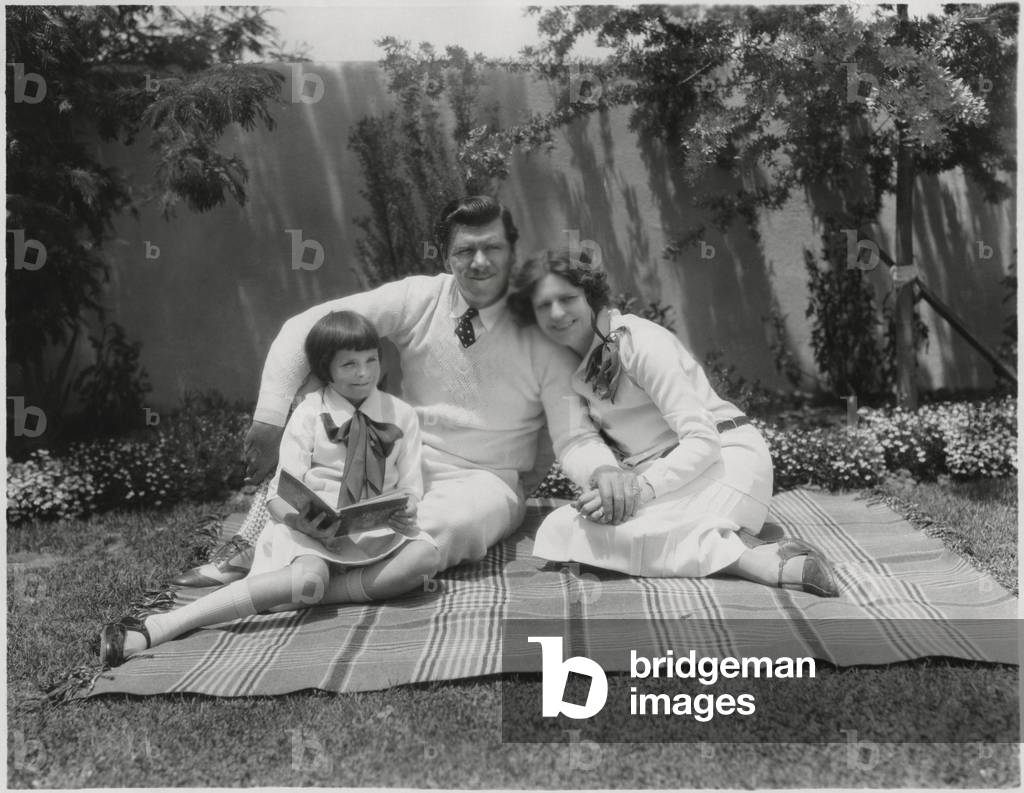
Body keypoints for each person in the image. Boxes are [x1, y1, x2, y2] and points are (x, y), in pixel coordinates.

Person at [175, 196, 636, 589]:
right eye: (465, 251)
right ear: (444, 257)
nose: (480, 262)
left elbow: (572, 431)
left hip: (487, 480)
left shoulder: (540, 321)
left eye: (493, 247)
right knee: (320, 410)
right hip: (399, 459)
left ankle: (315, 576)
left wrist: (602, 471)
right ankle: (275, 548)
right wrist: (270, 418)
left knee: (447, 525)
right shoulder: (421, 297)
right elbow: (307, 328)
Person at [100, 311, 437, 666]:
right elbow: (278, 498)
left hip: (376, 534)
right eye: (350, 364)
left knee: (426, 558)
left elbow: (412, 487)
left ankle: (303, 594)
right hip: (311, 536)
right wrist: (302, 524)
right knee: (311, 574)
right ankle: (160, 626)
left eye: (371, 360)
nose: (364, 373)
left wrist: (408, 508)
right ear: (326, 370)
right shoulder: (308, 414)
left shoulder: (401, 414)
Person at [506, 249, 840, 596]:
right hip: (662, 481)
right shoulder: (558, 364)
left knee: (610, 535)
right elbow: (575, 440)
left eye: (567, 298)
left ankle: (764, 564)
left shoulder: (641, 342)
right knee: (561, 527)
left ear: (588, 296)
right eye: (543, 305)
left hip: (725, 463)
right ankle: (737, 545)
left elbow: (702, 441)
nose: (557, 313)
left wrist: (639, 489)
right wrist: (606, 477)